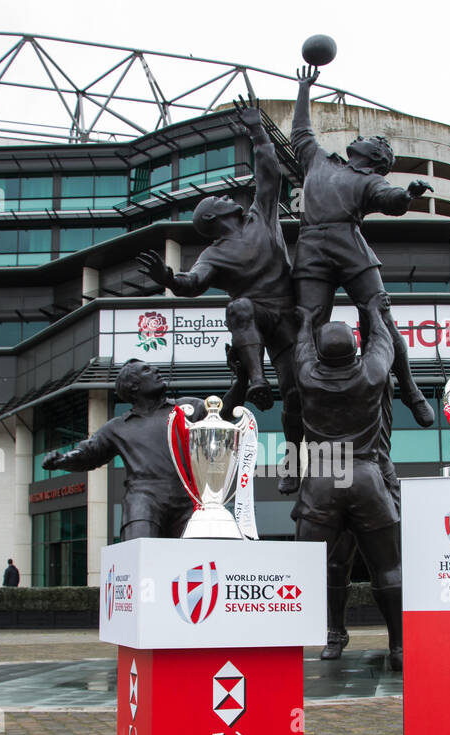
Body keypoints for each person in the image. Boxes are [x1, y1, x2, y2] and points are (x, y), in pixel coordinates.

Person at [136, 98, 304, 493]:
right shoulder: (213, 254)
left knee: (296, 396)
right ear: (213, 218)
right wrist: (169, 278)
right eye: (222, 201)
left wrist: (257, 130)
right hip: (261, 319)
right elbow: (193, 284)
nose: (231, 198)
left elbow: (269, 174)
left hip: (293, 317)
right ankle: (259, 381)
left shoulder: (262, 216)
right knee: (239, 306)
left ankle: (295, 460)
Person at [291, 64, 435, 430]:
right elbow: (300, 132)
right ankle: (306, 404)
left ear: (374, 158)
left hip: (349, 245)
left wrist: (408, 195)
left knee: (381, 316)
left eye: (378, 142)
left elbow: (392, 201)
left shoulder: (370, 181)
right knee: (305, 326)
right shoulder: (319, 161)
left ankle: (409, 387)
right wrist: (304, 89)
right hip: (311, 248)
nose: (370, 138)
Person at [291, 297, 404, 670]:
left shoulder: (307, 376)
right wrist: (370, 309)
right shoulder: (371, 373)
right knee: (387, 566)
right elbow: (384, 342)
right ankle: (399, 645)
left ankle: (291, 638)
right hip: (364, 474)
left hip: (324, 477)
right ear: (356, 348)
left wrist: (307, 316)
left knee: (305, 568)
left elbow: (301, 345)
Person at [41, 360, 206, 540]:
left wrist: (241, 377)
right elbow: (88, 452)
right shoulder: (117, 428)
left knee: (193, 559)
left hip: (187, 498)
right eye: (147, 370)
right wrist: (63, 459)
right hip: (144, 499)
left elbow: (224, 411)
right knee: (141, 553)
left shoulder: (186, 408)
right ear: (133, 387)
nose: (157, 370)